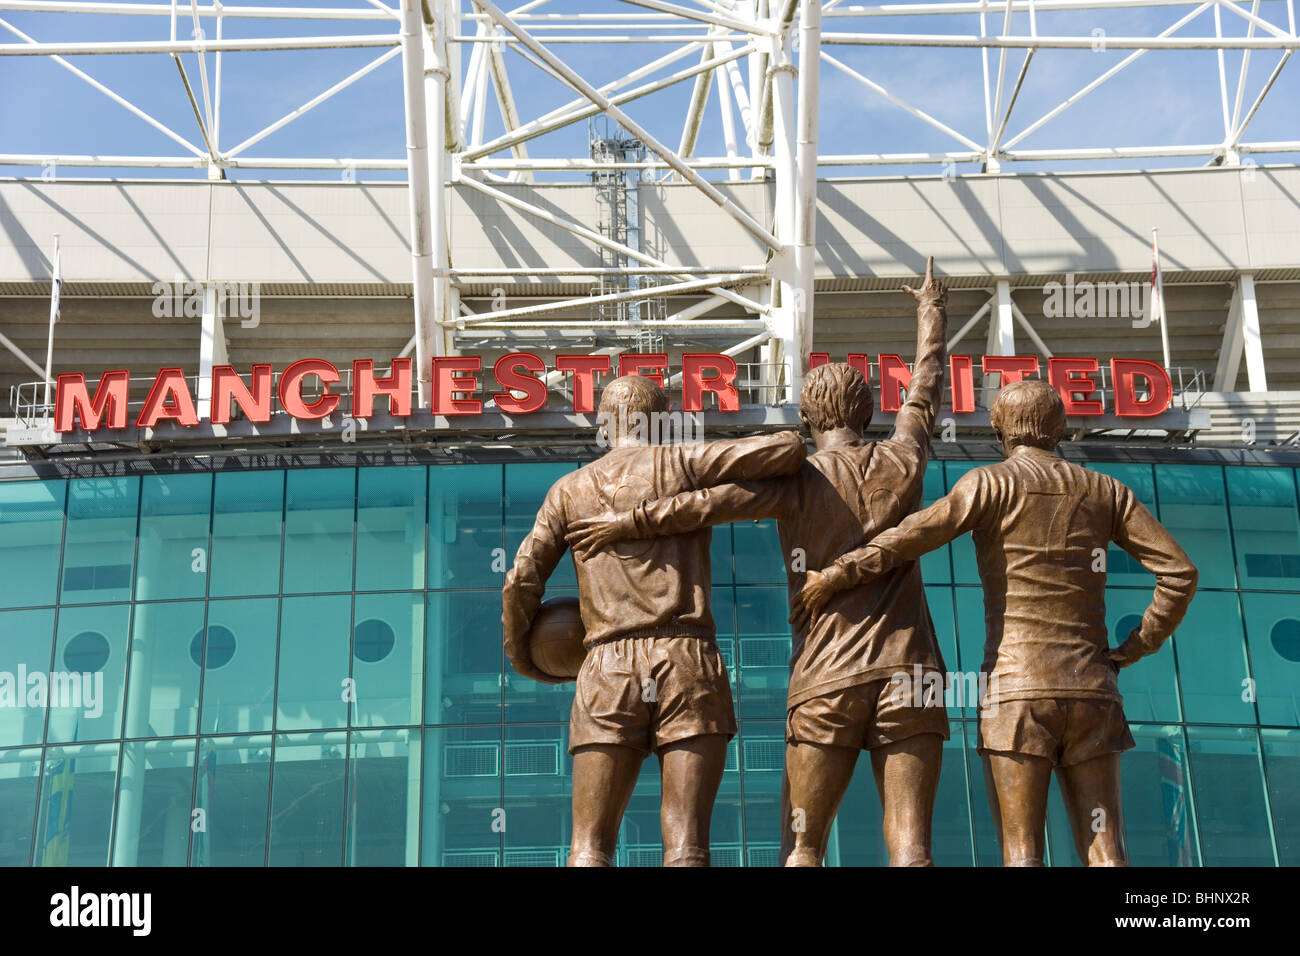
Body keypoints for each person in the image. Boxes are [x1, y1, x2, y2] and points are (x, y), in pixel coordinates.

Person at [566, 258, 951, 866]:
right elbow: (925, 388)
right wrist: (932, 312)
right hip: (913, 671)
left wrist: (626, 522)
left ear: (806, 415)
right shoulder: (905, 460)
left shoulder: (799, 481)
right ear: (869, 413)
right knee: (911, 848)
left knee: (803, 848)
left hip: (828, 675)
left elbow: (700, 508)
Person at [791, 377, 1198, 866]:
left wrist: (837, 573)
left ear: (1000, 430)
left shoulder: (990, 483)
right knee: (1107, 851)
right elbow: (1180, 573)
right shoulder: (1106, 490)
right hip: (1092, 688)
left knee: (1022, 852)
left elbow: (909, 537)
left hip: (1016, 693)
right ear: (1062, 428)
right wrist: (1134, 647)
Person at [502, 374, 806, 867]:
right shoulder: (683, 461)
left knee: (588, 846)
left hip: (606, 666)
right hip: (687, 658)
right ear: (662, 421)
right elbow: (788, 448)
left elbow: (520, 580)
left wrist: (522, 656)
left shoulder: (569, 490)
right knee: (687, 845)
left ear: (604, 424)